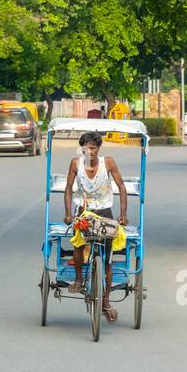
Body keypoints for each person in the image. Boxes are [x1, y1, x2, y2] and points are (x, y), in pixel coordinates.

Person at [63, 131, 129, 324]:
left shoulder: (108, 162)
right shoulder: (76, 164)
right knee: (77, 242)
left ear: (99, 148)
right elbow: (68, 189)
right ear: (82, 148)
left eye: (93, 147)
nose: (89, 151)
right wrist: (68, 213)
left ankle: (106, 301)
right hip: (83, 211)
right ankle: (78, 279)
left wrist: (123, 214)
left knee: (107, 259)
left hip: (105, 212)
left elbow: (122, 187)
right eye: (86, 147)